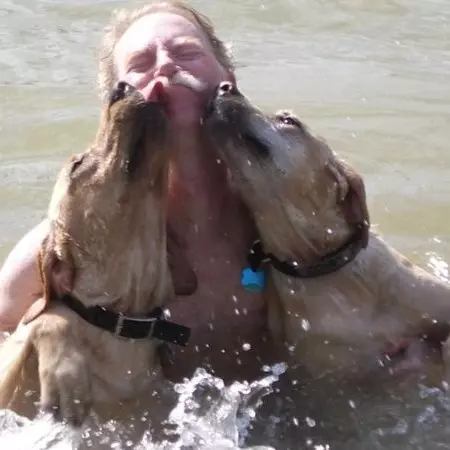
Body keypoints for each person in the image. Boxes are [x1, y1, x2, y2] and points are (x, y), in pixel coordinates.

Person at [0, 1, 281, 382]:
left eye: (186, 52)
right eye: (141, 63)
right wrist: (52, 324)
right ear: (117, 107)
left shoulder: (284, 205)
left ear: (227, 78)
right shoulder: (79, 239)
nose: (165, 65)